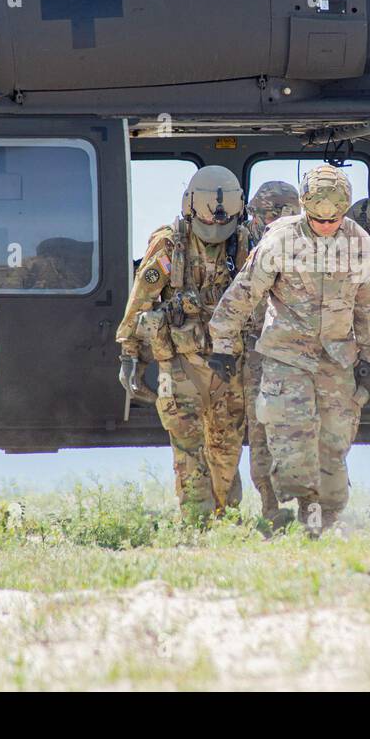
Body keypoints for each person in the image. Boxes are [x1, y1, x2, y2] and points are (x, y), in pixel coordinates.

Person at [208, 164, 370, 535]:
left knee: (335, 442)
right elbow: (244, 292)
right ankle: (305, 513)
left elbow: (369, 302)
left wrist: (369, 355)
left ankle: (330, 515)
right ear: (305, 208)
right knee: (291, 440)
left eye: (333, 219)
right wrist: (223, 343)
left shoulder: (359, 243)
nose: (325, 224)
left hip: (337, 358)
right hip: (287, 355)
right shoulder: (280, 240)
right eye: (317, 219)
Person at [114, 166, 250, 519]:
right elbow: (140, 302)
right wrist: (131, 358)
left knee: (226, 451)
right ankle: (196, 524)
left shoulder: (248, 243)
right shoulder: (168, 245)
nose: (216, 230)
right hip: (180, 365)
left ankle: (226, 518)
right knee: (188, 449)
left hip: (229, 365)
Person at [241, 180, 301, 528]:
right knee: (261, 432)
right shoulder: (245, 246)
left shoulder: (312, 245)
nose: (264, 223)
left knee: (301, 432)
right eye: (261, 216)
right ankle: (272, 510)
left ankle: (311, 509)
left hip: (297, 352)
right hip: (258, 354)